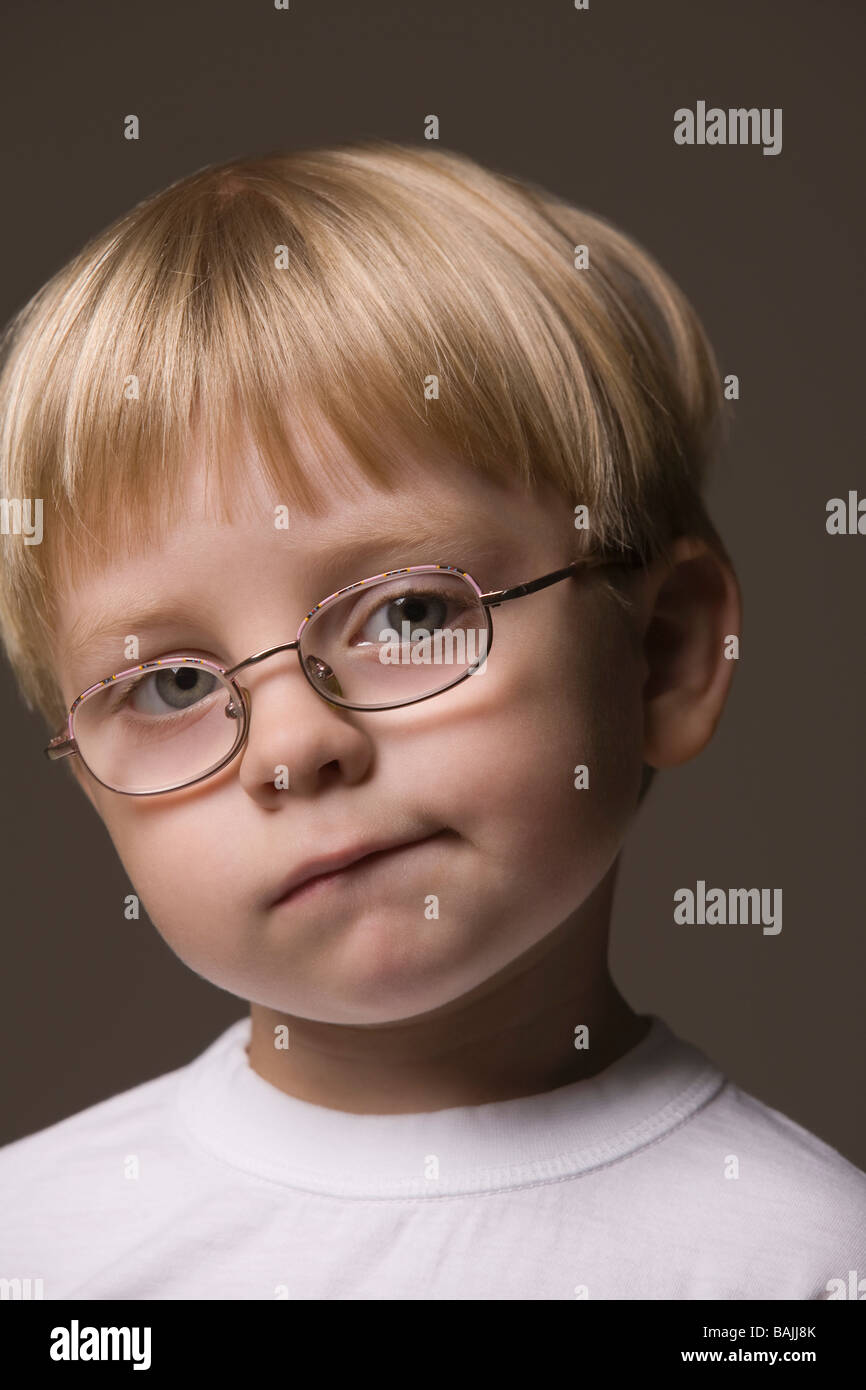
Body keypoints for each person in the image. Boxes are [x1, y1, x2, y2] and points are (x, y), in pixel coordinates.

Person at [0, 141, 862, 1300]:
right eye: (173, 684)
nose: (298, 745)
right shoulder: (39, 1247)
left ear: (662, 656)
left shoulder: (802, 1265)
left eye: (407, 611)